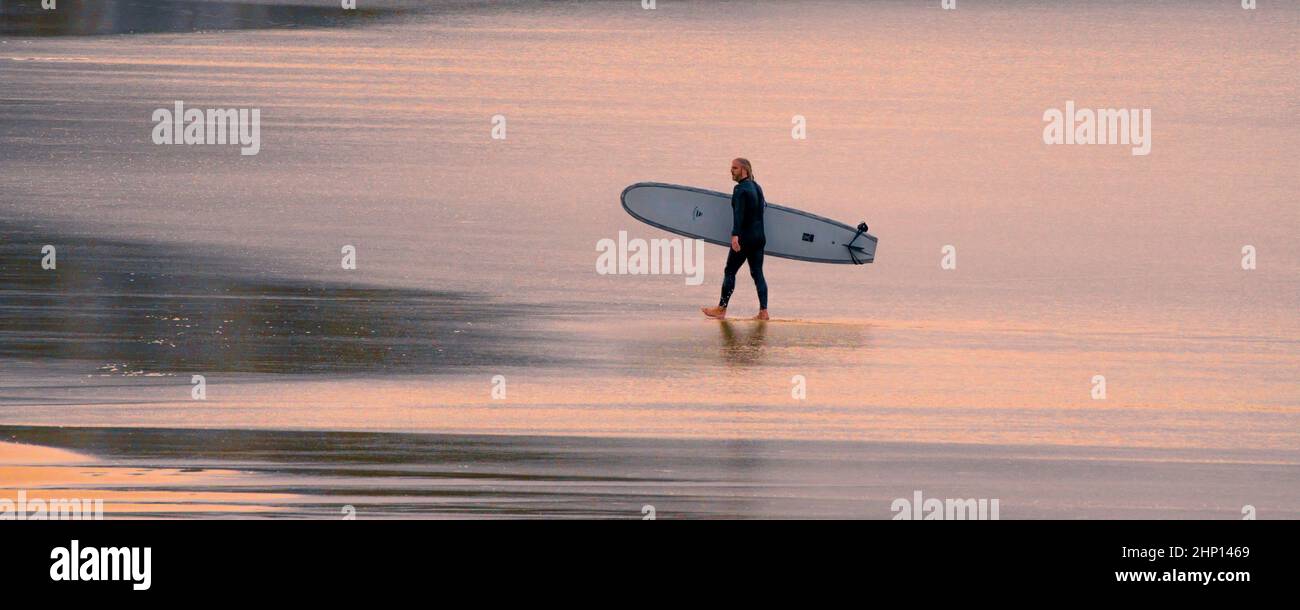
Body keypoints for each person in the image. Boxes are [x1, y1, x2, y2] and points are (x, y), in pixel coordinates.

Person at [701, 158, 768, 320]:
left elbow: (738, 214)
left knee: (730, 271)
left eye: (735, 168)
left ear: (744, 170)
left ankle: (721, 309)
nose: (731, 171)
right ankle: (763, 312)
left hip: (744, 237)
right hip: (760, 237)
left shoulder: (739, 189)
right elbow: (764, 207)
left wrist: (735, 235)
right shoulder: (757, 187)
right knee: (757, 273)